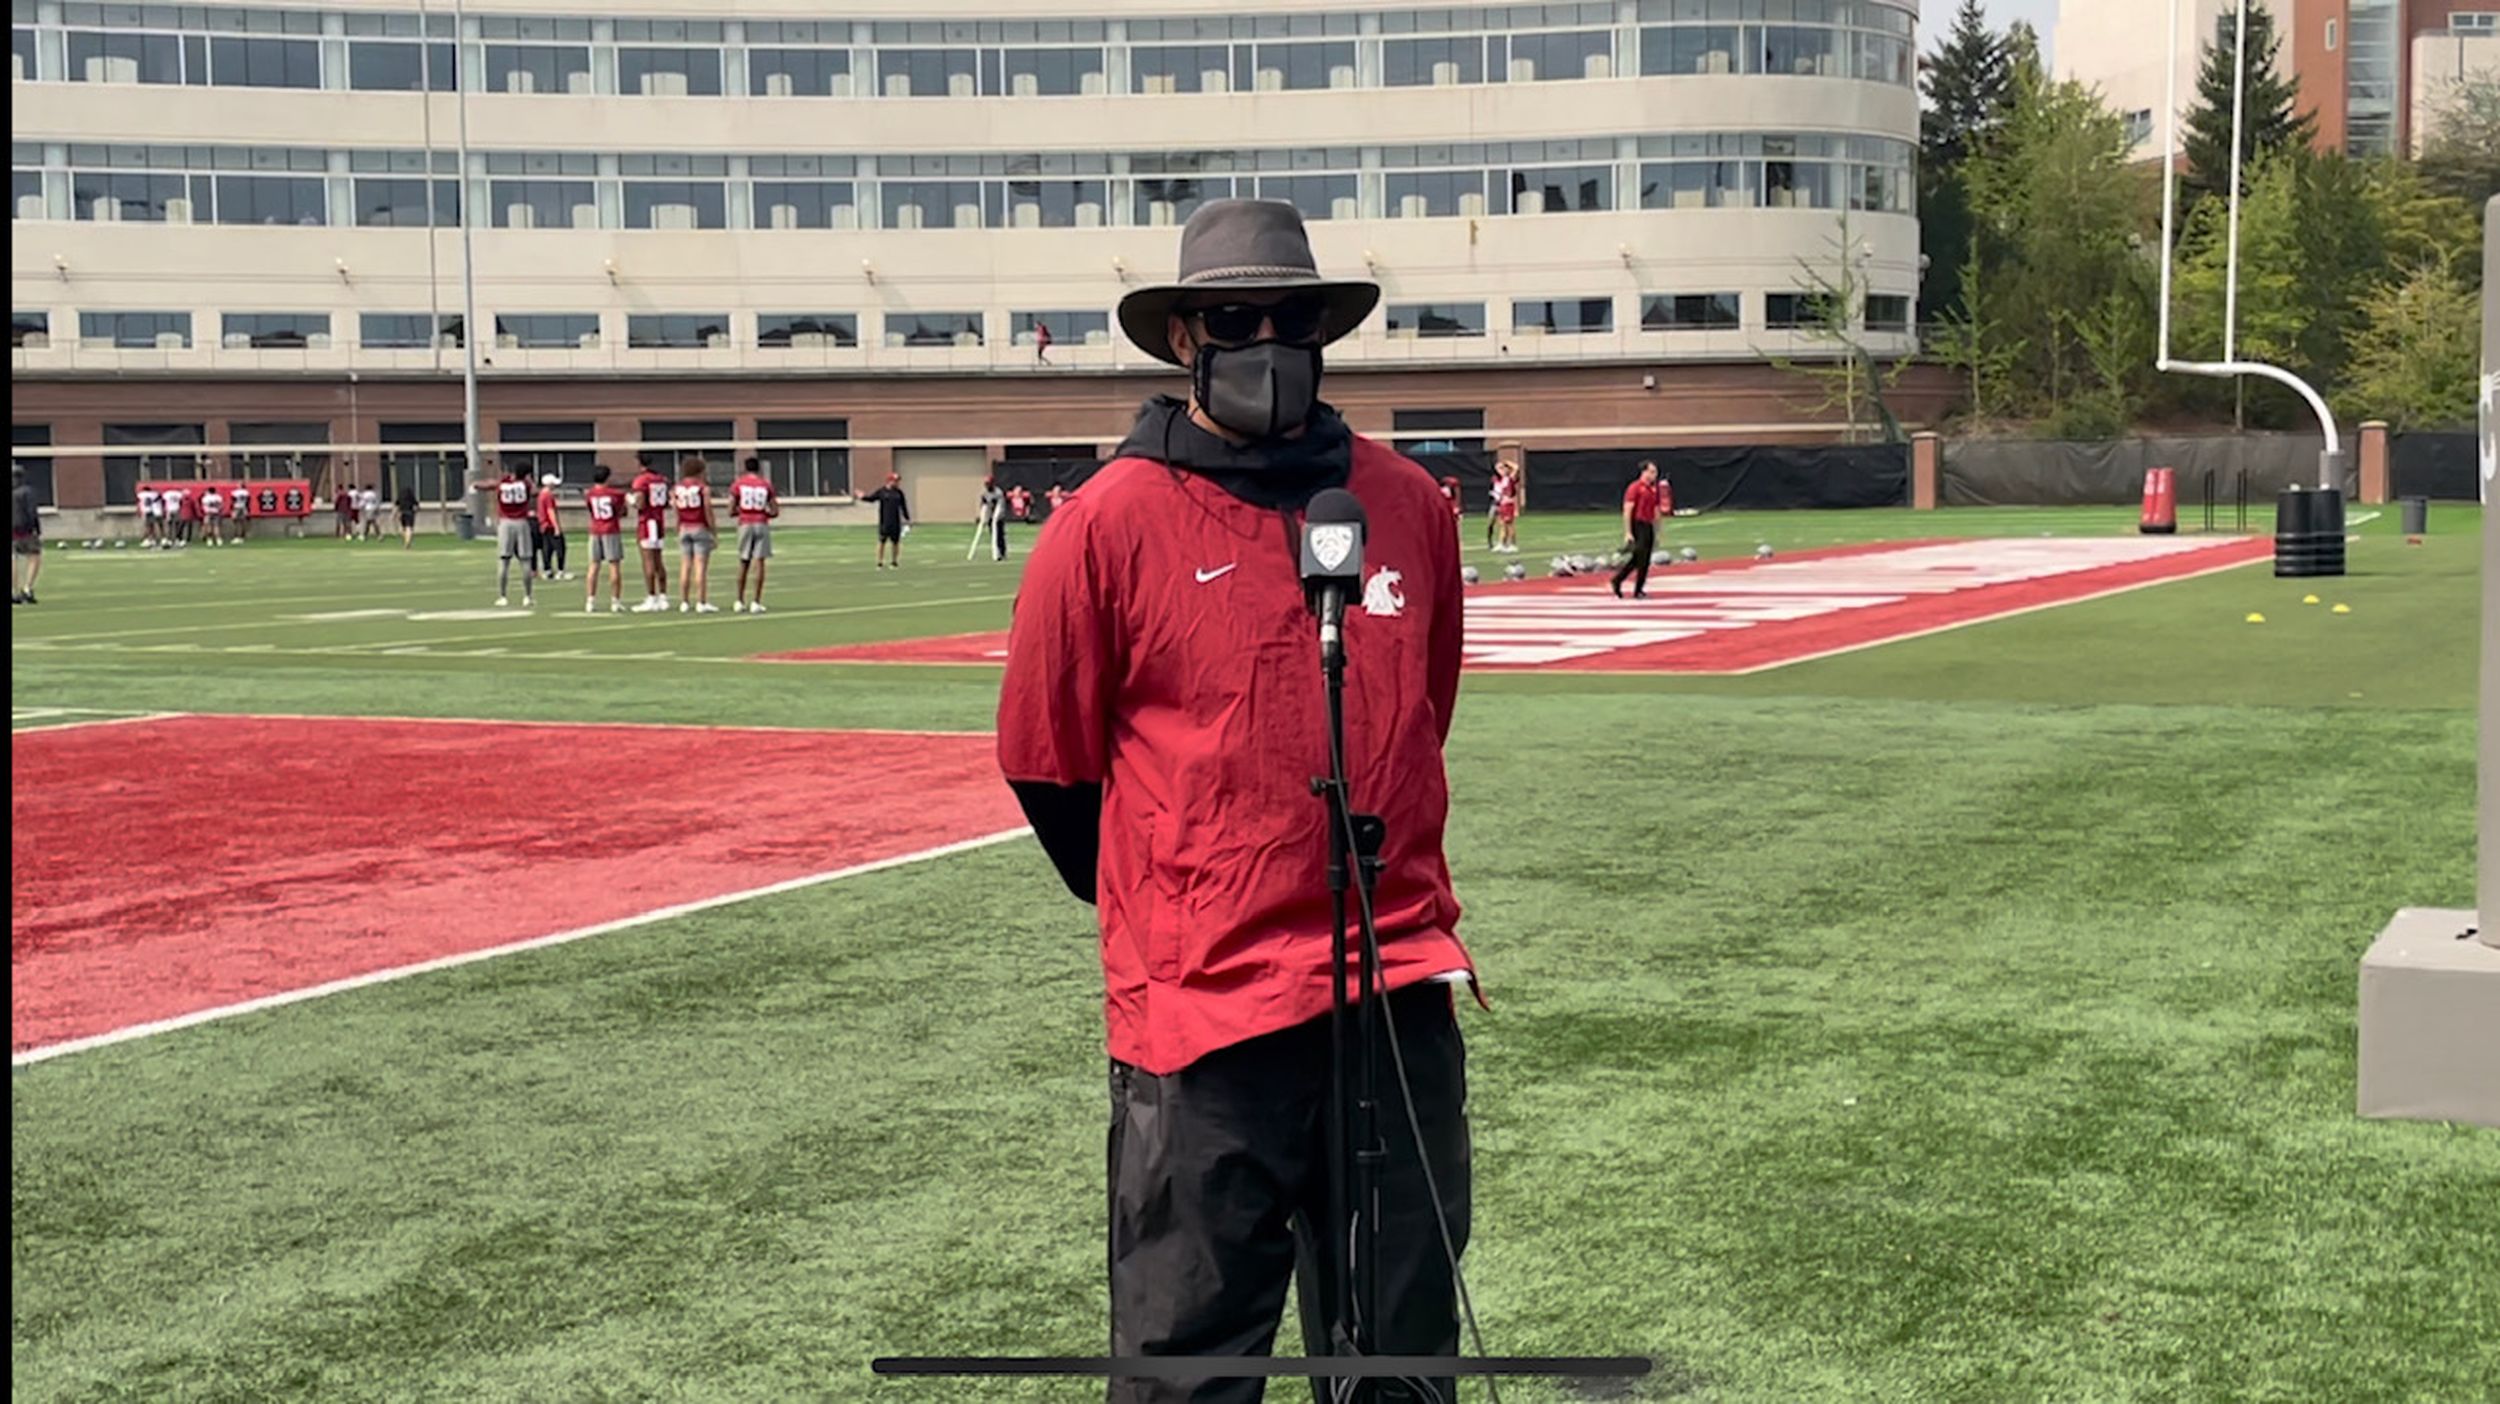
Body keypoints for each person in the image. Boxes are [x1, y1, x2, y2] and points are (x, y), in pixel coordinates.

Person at [997, 199, 1476, 1404]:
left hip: (1391, 993)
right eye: (1232, 318)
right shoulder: (1104, 524)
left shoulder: (1407, 506)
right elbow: (1048, 765)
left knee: (1400, 1361)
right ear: (1183, 340)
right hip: (1203, 1019)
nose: (1265, 338)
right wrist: (1185, 892)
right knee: (1187, 1370)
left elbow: (1422, 711)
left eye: (1289, 316)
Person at [479, 460, 536, 607]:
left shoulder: (503, 484)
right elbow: (535, 491)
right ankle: (528, 596)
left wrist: (476, 485)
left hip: (505, 523)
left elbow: (490, 485)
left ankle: (502, 596)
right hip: (522, 522)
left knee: (504, 560)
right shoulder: (526, 485)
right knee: (525, 560)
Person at [730, 455, 780, 612]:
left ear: (745, 468)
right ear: (759, 468)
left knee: (743, 562)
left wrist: (741, 512)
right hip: (761, 523)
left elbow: (731, 509)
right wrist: (764, 514)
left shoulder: (738, 484)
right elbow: (775, 510)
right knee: (759, 563)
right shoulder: (765, 484)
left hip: (745, 523)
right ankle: (756, 602)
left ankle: (739, 600)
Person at [1610, 460, 1665, 600]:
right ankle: (1635, 588)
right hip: (1638, 524)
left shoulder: (1654, 489)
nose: (1654, 475)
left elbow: (1656, 510)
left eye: (1655, 472)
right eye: (1652, 472)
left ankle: (1620, 580)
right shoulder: (1635, 487)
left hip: (1648, 525)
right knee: (1641, 558)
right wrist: (1628, 532)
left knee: (1640, 559)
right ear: (1644, 472)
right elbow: (1628, 510)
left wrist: (1658, 530)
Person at [672, 454, 718, 613]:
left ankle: (684, 602)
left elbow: (676, 509)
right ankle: (701, 602)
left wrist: (677, 525)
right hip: (699, 526)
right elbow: (707, 510)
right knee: (700, 567)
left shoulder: (677, 488)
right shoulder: (702, 488)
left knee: (685, 566)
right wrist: (713, 530)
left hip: (684, 526)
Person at [581, 464, 629, 613]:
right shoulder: (615, 494)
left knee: (594, 566)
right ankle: (615, 601)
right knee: (614, 566)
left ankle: (590, 601)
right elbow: (622, 512)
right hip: (611, 529)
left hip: (595, 529)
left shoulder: (589, 494)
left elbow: (590, 511)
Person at [629, 451, 673, 612]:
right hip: (659, 520)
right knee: (658, 560)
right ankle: (663, 596)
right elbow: (666, 502)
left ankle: (651, 597)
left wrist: (631, 501)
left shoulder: (642, 480)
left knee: (648, 560)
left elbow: (640, 503)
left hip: (647, 522)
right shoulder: (661, 479)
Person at [864, 470, 910, 569]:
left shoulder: (899, 493)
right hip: (885, 521)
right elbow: (871, 498)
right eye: (895, 481)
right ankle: (879, 562)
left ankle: (894, 562)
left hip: (896, 521)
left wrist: (907, 518)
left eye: (898, 481)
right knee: (882, 541)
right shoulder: (882, 492)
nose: (897, 483)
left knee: (895, 542)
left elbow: (903, 506)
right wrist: (862, 497)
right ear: (889, 481)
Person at [11, 465, 41, 605]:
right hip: (24, 529)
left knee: (13, 559)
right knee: (34, 557)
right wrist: (36, 528)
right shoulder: (27, 492)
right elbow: (31, 512)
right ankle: (27, 589)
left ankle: (13, 591)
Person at [534, 472, 570, 581]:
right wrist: (556, 526)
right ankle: (560, 570)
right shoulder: (548, 495)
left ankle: (547, 570)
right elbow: (550, 511)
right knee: (560, 548)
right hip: (549, 525)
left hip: (543, 525)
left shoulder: (541, 495)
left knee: (547, 549)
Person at [1491, 462, 1521, 554]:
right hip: (1502, 504)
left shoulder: (1510, 478)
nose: (1502, 470)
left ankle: (1513, 544)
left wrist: (1507, 463)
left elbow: (1516, 467)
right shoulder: (1500, 479)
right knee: (1502, 524)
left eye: (1505, 469)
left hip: (1508, 504)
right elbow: (1497, 467)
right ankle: (1502, 543)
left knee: (1509, 525)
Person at [977, 476, 1008, 562]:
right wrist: (983, 516)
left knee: (1000, 535)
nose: (987, 486)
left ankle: (1002, 552)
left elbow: (1001, 506)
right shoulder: (984, 493)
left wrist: (997, 517)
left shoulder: (998, 493)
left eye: (988, 484)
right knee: (993, 534)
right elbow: (983, 504)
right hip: (991, 515)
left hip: (999, 516)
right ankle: (996, 552)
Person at [199, 473, 226, 546]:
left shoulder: (206, 498)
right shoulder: (218, 497)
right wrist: (219, 510)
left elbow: (203, 505)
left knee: (209, 526)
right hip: (216, 512)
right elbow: (221, 505)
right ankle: (218, 540)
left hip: (208, 513)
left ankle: (209, 540)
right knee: (216, 526)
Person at [138, 482, 163, 549]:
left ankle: (151, 539)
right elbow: (159, 496)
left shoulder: (141, 495)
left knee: (148, 526)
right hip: (152, 511)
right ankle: (153, 539)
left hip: (147, 512)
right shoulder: (153, 494)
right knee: (152, 526)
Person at [395, 478, 419, 548]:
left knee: (403, 528)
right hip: (410, 513)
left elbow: (396, 506)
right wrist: (415, 512)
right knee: (409, 528)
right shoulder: (412, 498)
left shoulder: (400, 498)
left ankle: (405, 541)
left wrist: (394, 514)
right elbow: (416, 506)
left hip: (402, 513)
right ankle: (408, 542)